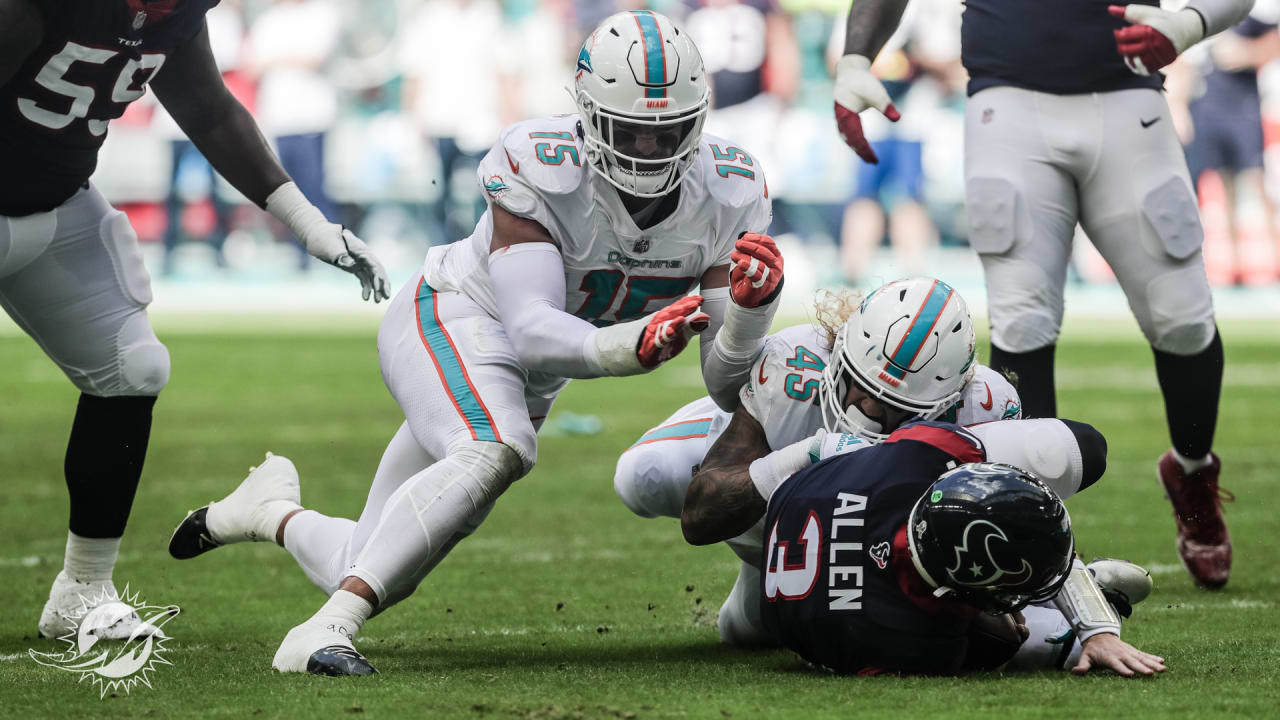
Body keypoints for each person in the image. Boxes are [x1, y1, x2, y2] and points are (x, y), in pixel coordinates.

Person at [168, 10, 784, 676]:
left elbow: (726, 387)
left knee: (380, 555)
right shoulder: (539, 162)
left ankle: (269, 512)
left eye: (669, 133)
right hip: (458, 314)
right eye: (629, 130)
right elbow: (529, 324)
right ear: (585, 117)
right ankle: (325, 629)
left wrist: (750, 316)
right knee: (497, 447)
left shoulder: (731, 186)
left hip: (532, 373)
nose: (649, 151)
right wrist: (624, 345)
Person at [830, 0, 1255, 590]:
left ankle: (1191, 472)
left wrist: (1190, 20)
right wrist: (855, 57)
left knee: (1182, 317)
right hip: (1006, 104)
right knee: (1022, 322)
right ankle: (1034, 530)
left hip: (1128, 96)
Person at [0, 0, 390, 640]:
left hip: (59, 206)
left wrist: (308, 223)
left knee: (132, 367)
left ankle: (83, 590)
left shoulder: (172, 13)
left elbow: (208, 110)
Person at [613, 278, 1021, 628]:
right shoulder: (797, 367)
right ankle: (725, 424)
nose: (867, 412)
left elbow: (1028, 522)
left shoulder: (983, 410)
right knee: (642, 476)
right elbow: (700, 520)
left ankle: (763, 581)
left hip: (863, 544)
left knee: (745, 633)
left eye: (896, 406)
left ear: (944, 403)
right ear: (840, 350)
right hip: (770, 493)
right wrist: (808, 452)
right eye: (858, 384)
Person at [685, 431, 1167, 676]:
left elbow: (829, 449)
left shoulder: (909, 462)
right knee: (1036, 643)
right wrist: (1094, 632)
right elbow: (1001, 632)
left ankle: (1064, 594)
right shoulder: (920, 641)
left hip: (784, 528)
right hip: (799, 533)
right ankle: (1077, 601)